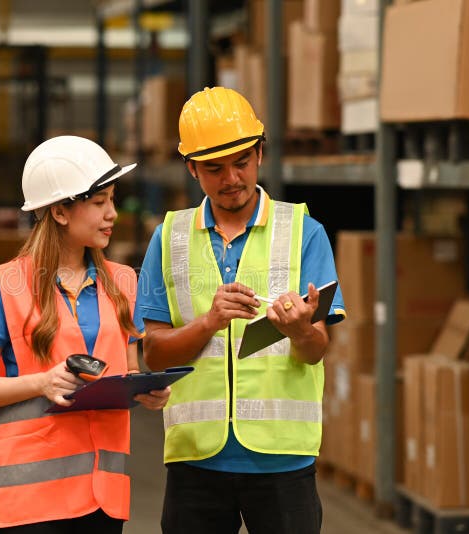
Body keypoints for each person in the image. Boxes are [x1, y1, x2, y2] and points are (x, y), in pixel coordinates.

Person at [134, 87, 346, 534]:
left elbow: (316, 350)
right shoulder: (167, 239)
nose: (231, 178)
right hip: (196, 459)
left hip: (282, 460)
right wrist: (210, 322)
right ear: (191, 168)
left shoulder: (305, 233)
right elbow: (152, 356)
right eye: (214, 168)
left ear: (261, 153)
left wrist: (300, 330)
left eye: (241, 162)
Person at [0, 135, 170, 533]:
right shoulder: (6, 288)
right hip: (31, 501)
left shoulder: (124, 283)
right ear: (59, 212)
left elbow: (125, 372)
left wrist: (146, 392)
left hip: (101, 496)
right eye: (99, 203)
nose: (113, 214)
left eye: (112, 199)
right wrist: (42, 382)